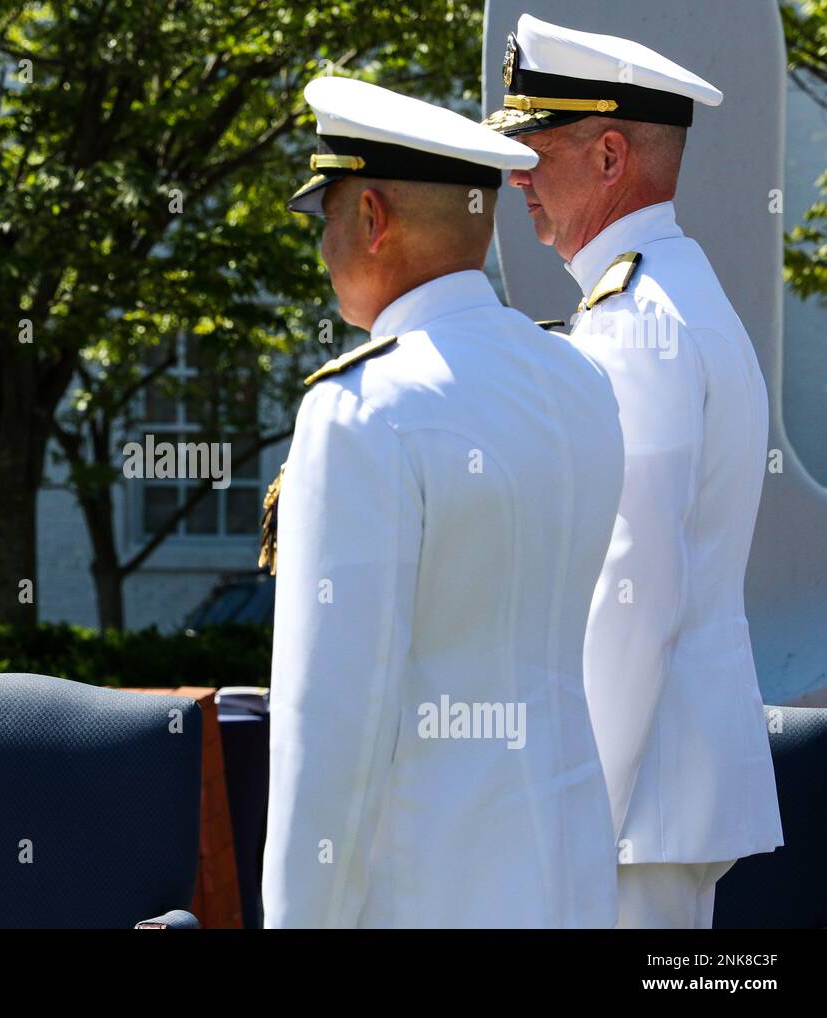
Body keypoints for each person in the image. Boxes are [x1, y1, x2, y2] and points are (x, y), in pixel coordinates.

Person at [261, 77, 624, 927]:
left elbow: (331, 735)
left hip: (425, 895)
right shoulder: (579, 379)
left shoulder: (360, 409)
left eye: (327, 219)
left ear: (373, 219)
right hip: (571, 875)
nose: (322, 250)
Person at [485, 14, 783, 929]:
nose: (514, 178)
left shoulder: (632, 323)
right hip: (663, 796)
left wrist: (581, 811)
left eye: (535, 150)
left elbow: (631, 585)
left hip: (631, 808)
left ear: (611, 157)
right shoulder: (672, 293)